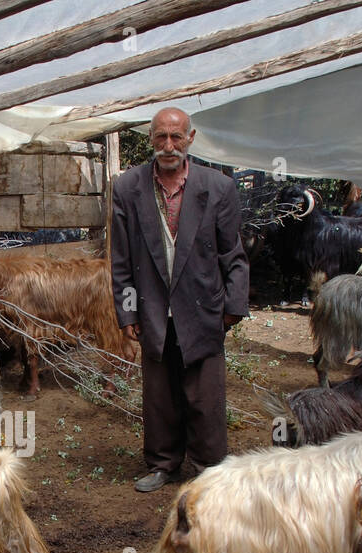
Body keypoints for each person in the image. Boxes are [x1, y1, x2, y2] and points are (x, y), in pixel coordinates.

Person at [110, 107, 249, 492]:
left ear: (191, 137)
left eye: (176, 137)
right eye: (160, 137)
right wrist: (128, 311)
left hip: (204, 306)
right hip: (153, 308)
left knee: (205, 395)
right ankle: (163, 463)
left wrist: (232, 308)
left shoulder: (217, 187)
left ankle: (209, 468)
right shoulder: (128, 188)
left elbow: (232, 256)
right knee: (159, 393)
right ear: (150, 139)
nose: (168, 146)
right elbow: (122, 261)